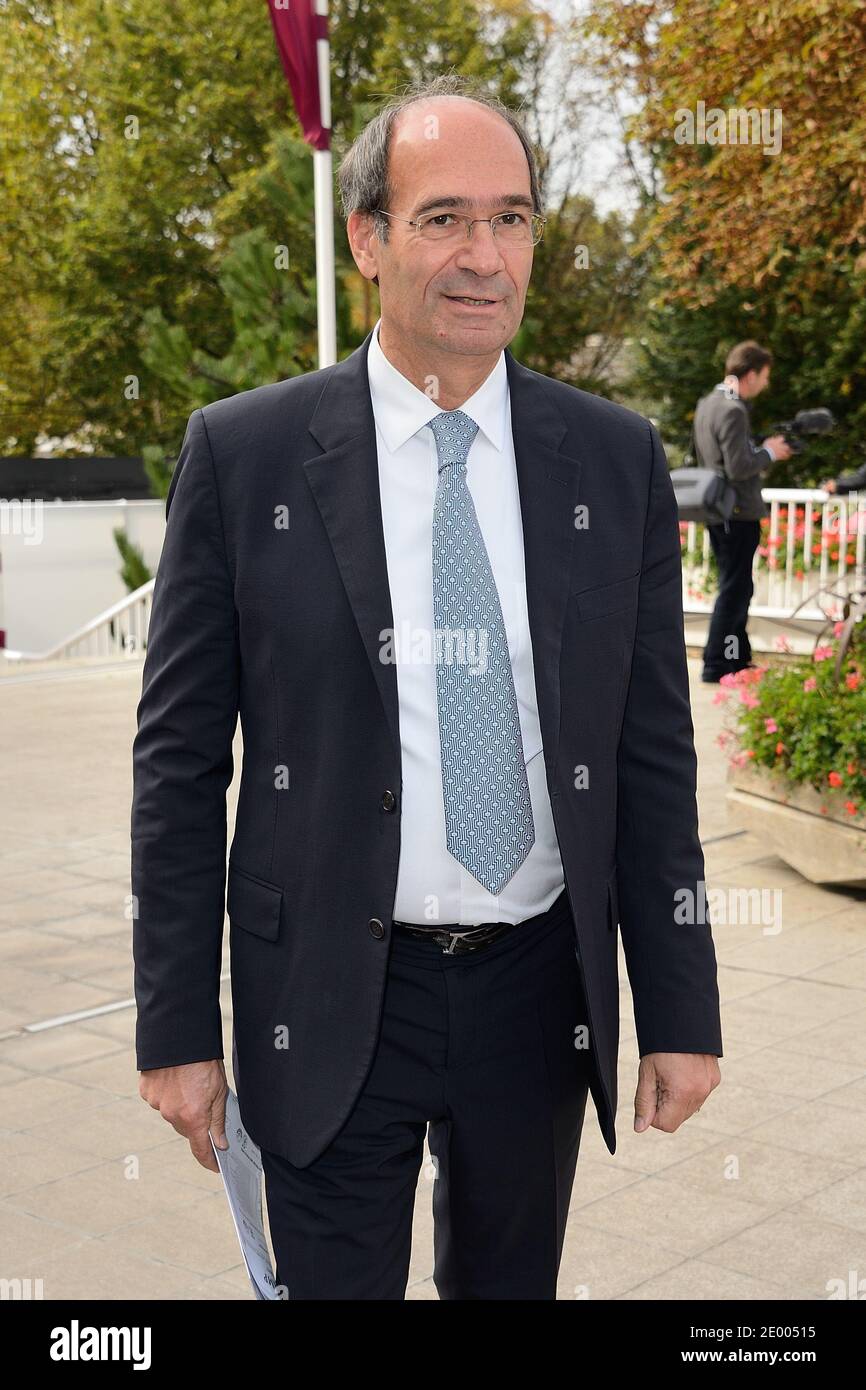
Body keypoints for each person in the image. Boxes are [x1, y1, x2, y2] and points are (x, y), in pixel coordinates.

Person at [131, 74, 722, 1301]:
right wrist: (176, 1031)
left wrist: (679, 1004)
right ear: (367, 240)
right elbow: (179, 767)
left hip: (535, 992)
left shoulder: (609, 459)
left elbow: (649, 755)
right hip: (331, 993)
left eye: (510, 219)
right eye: (444, 217)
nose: (483, 256)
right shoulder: (244, 457)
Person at [693, 341, 793, 683]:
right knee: (735, 590)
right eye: (764, 376)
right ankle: (717, 664)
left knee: (737, 588)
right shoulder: (733, 409)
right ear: (750, 374)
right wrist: (769, 453)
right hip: (736, 512)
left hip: (719, 510)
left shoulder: (708, 403)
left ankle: (735, 659)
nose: (765, 384)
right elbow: (738, 466)